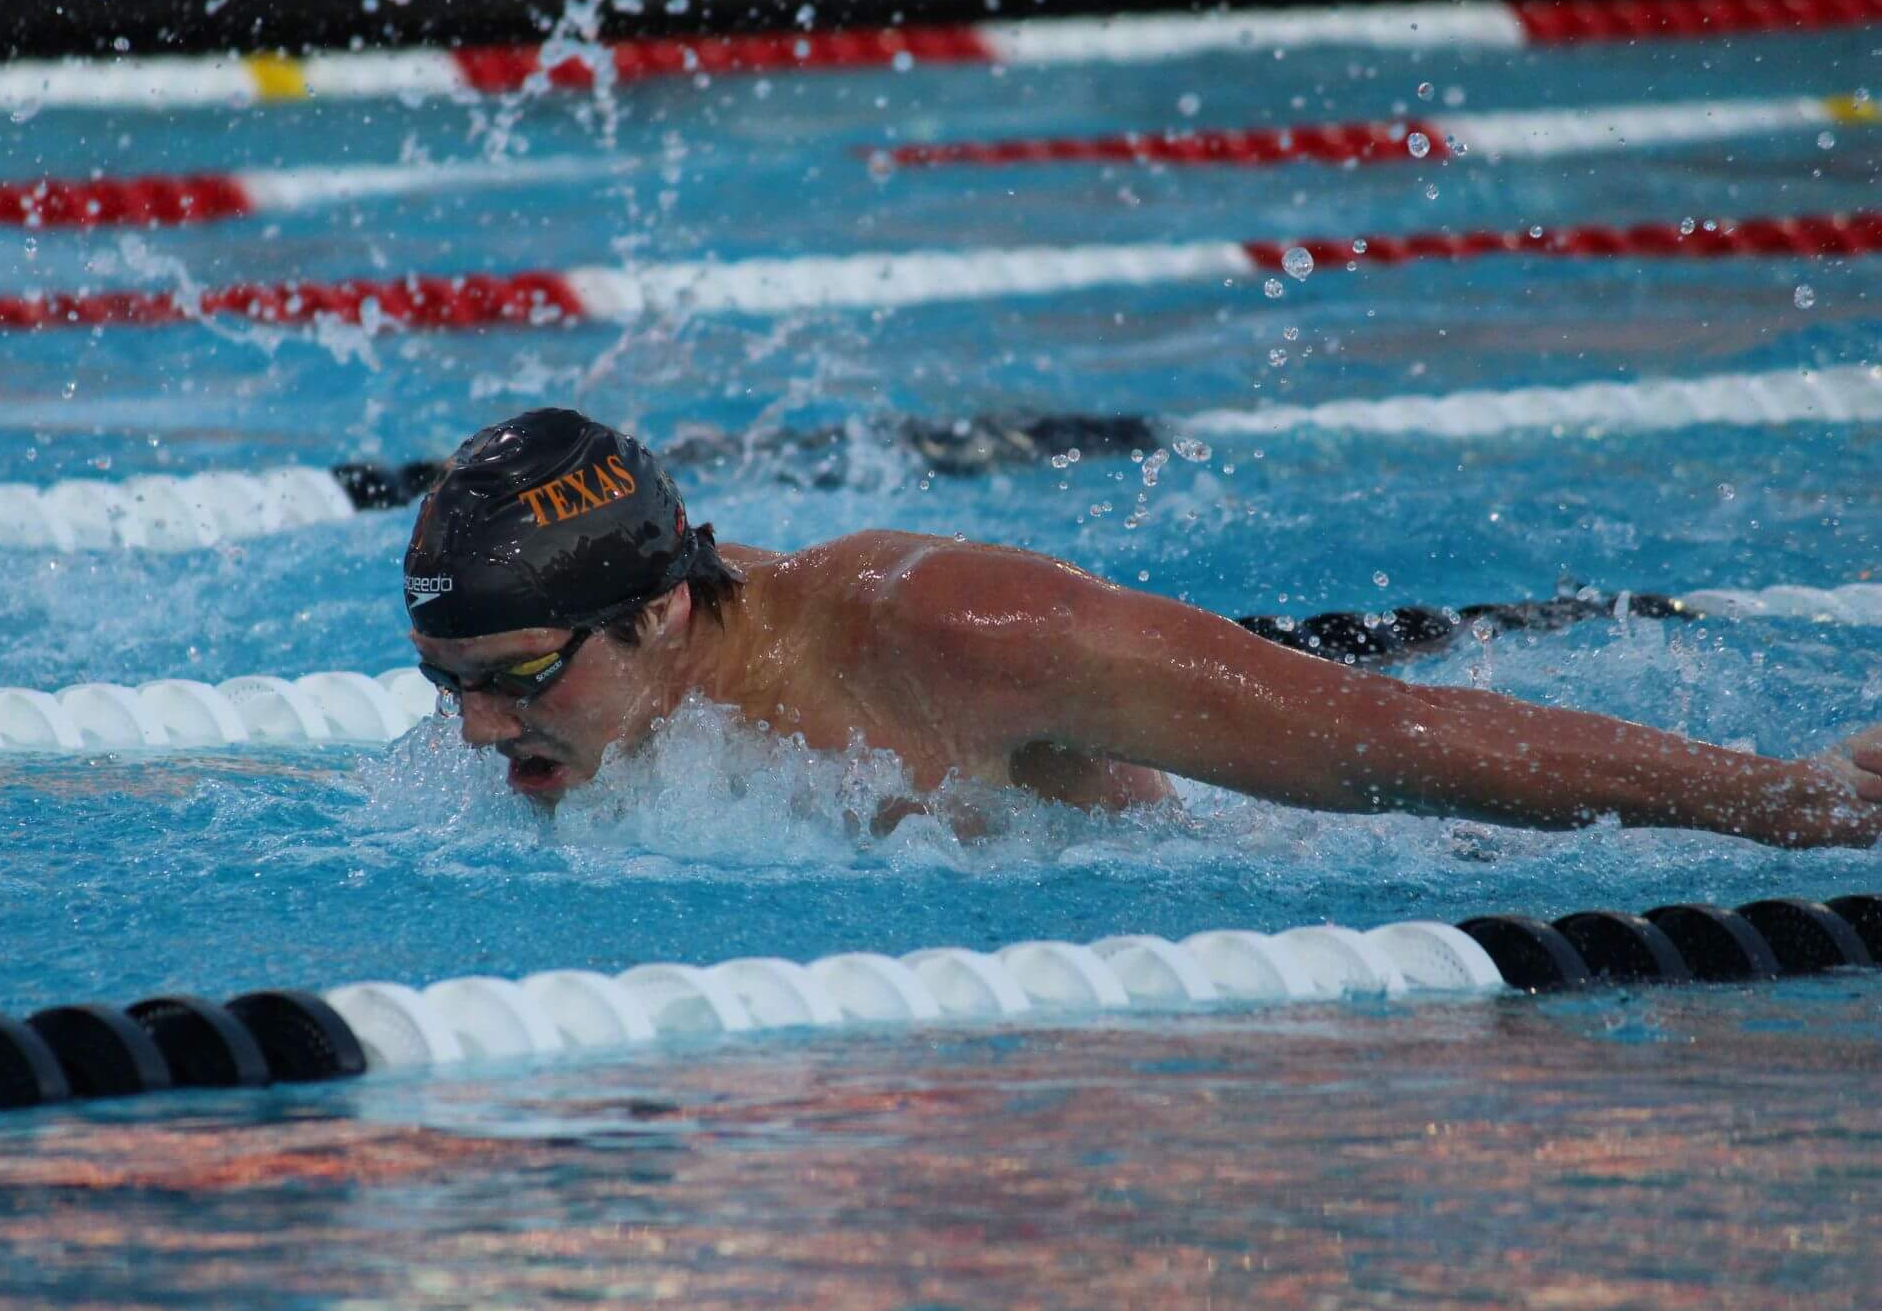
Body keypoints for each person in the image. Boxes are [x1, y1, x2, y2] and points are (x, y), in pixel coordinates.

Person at [404, 408, 1882, 848]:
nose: (472, 730)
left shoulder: (951, 635)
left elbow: (1390, 742)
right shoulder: (580, 716)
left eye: (512, 682)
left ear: (664, 613)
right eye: (444, 686)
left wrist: (1791, 802)